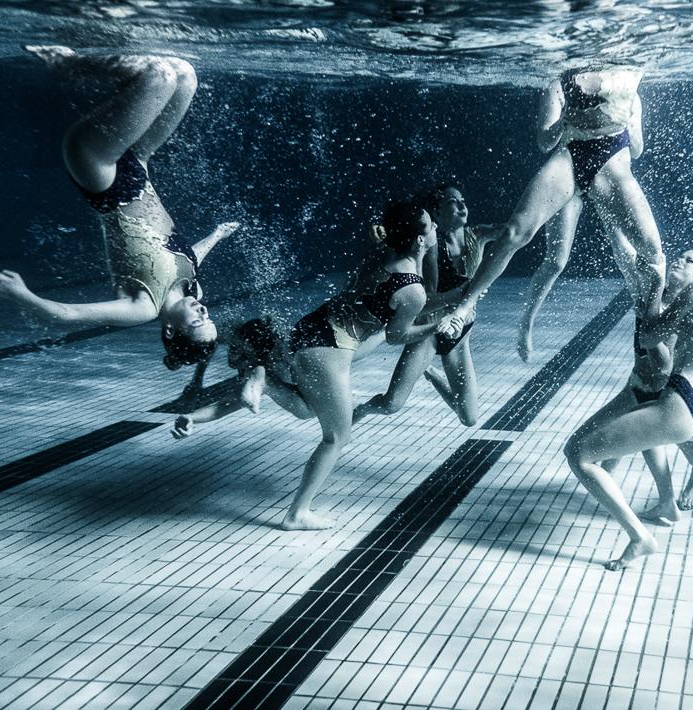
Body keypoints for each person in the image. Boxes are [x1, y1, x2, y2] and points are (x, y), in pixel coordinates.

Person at [172, 201, 440, 531]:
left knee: (302, 408)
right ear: (418, 240)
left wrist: (193, 416)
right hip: (328, 351)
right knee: (337, 437)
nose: (436, 228)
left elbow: (386, 322)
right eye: (431, 226)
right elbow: (398, 335)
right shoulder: (411, 291)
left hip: (307, 330)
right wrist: (438, 326)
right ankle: (297, 513)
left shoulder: (379, 256)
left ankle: (263, 379)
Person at [0, 47, 238, 376]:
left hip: (100, 172)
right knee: (184, 75)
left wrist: (22, 295)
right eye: (208, 317)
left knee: (160, 75)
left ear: (171, 330)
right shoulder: (194, 290)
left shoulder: (142, 308)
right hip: (138, 165)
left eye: (198, 322)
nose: (203, 311)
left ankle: (69, 63)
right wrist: (217, 235)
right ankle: (113, 52)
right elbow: (189, 259)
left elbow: (67, 315)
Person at [563, 231, 693, 571]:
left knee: (578, 453)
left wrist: (653, 286)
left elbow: (649, 336)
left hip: (681, 404)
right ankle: (677, 495)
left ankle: (640, 537)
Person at [438, 65, 665, 341]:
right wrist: (565, 120)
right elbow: (545, 142)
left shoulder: (631, 90)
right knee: (529, 243)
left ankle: (649, 316)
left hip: (612, 163)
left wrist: (628, 121)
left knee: (643, 249)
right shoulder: (562, 82)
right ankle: (469, 308)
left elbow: (637, 150)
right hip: (569, 159)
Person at [354, 185, 499, 427]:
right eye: (453, 202)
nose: (462, 206)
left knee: (469, 418)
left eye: (463, 200)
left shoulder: (477, 235)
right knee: (391, 404)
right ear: (437, 213)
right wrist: (462, 293)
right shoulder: (430, 245)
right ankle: (362, 409)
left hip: (460, 334)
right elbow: (424, 292)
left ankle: (429, 372)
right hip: (428, 334)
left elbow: (513, 233)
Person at [587, 249, 693, 525]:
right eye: (681, 256)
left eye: (690, 262)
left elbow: (664, 366)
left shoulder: (690, 307)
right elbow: (628, 258)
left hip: (669, 396)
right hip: (638, 385)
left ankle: (691, 482)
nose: (680, 260)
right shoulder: (655, 295)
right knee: (634, 437)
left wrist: (647, 323)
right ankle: (663, 500)